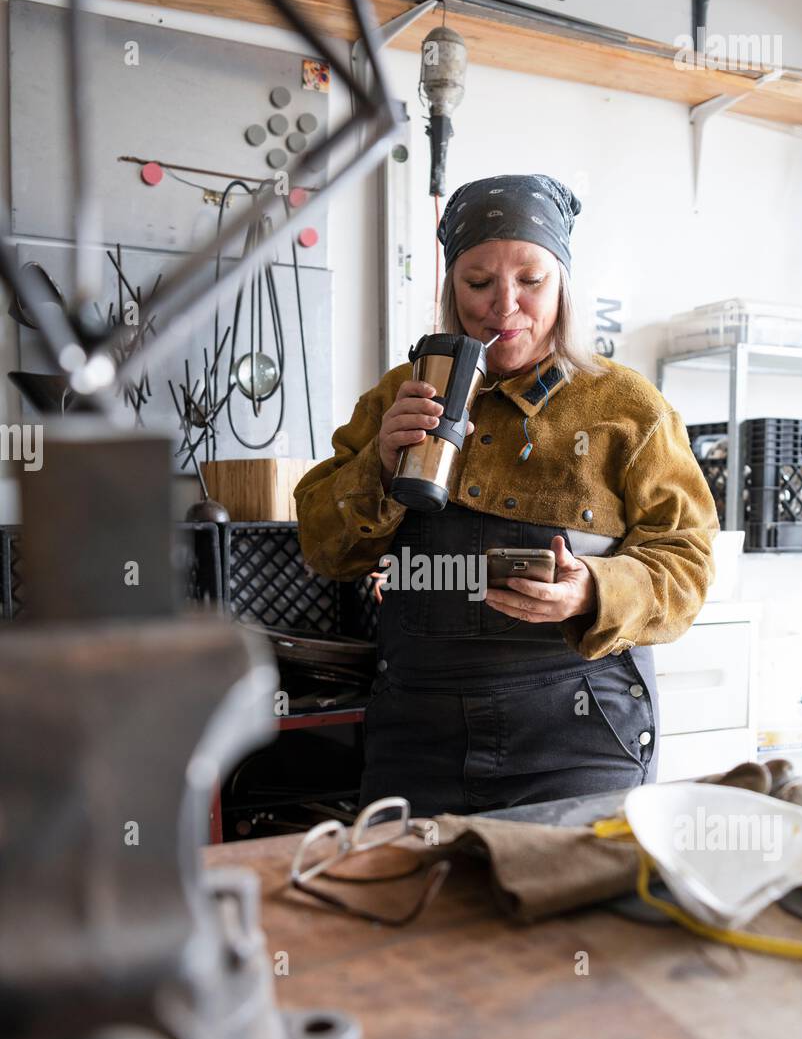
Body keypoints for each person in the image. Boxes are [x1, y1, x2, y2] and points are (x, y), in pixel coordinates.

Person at [295, 173, 718, 816]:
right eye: (478, 282)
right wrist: (379, 465)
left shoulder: (629, 408)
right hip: (418, 738)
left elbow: (687, 564)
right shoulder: (397, 396)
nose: (504, 306)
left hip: (578, 738)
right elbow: (323, 549)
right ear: (451, 289)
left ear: (563, 286)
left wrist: (593, 590)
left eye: (531, 280)